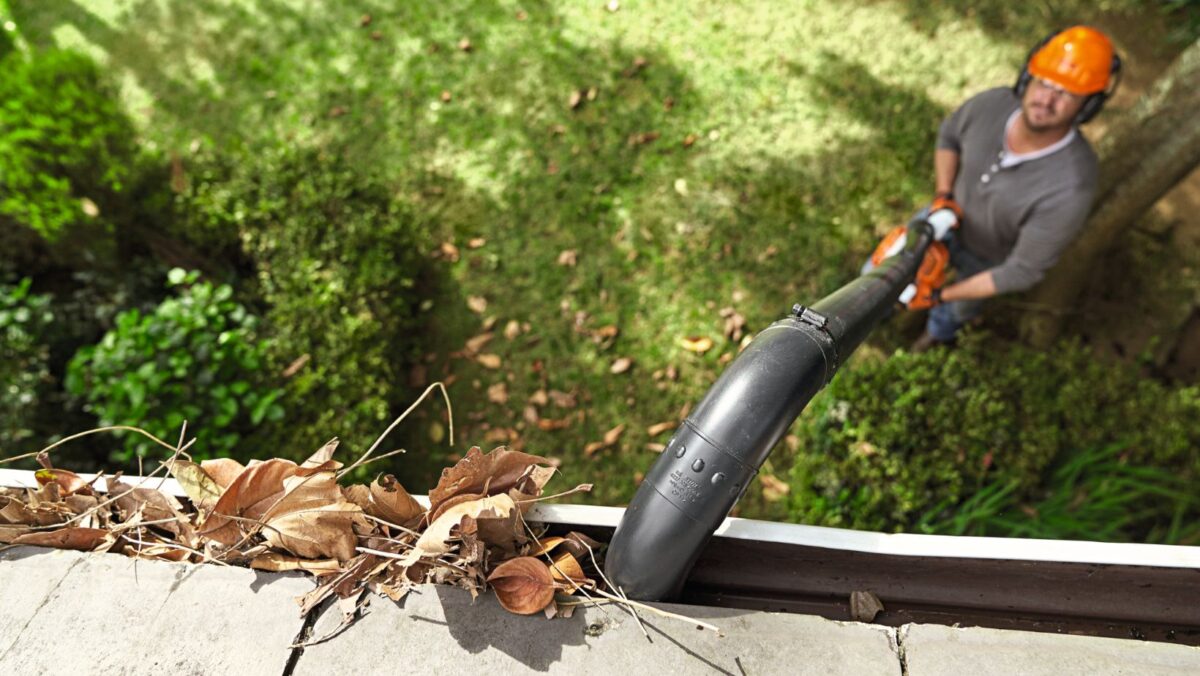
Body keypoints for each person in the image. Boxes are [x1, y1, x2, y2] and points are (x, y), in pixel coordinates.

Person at [910, 25, 1121, 351]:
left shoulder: (1072, 184)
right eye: (1044, 83)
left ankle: (931, 338)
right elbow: (949, 136)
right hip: (945, 216)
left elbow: (1021, 271)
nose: (1047, 100)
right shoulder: (991, 105)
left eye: (1066, 94)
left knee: (954, 312)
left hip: (988, 259)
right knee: (888, 264)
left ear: (1088, 107)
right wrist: (943, 197)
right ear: (1026, 79)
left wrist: (938, 295)